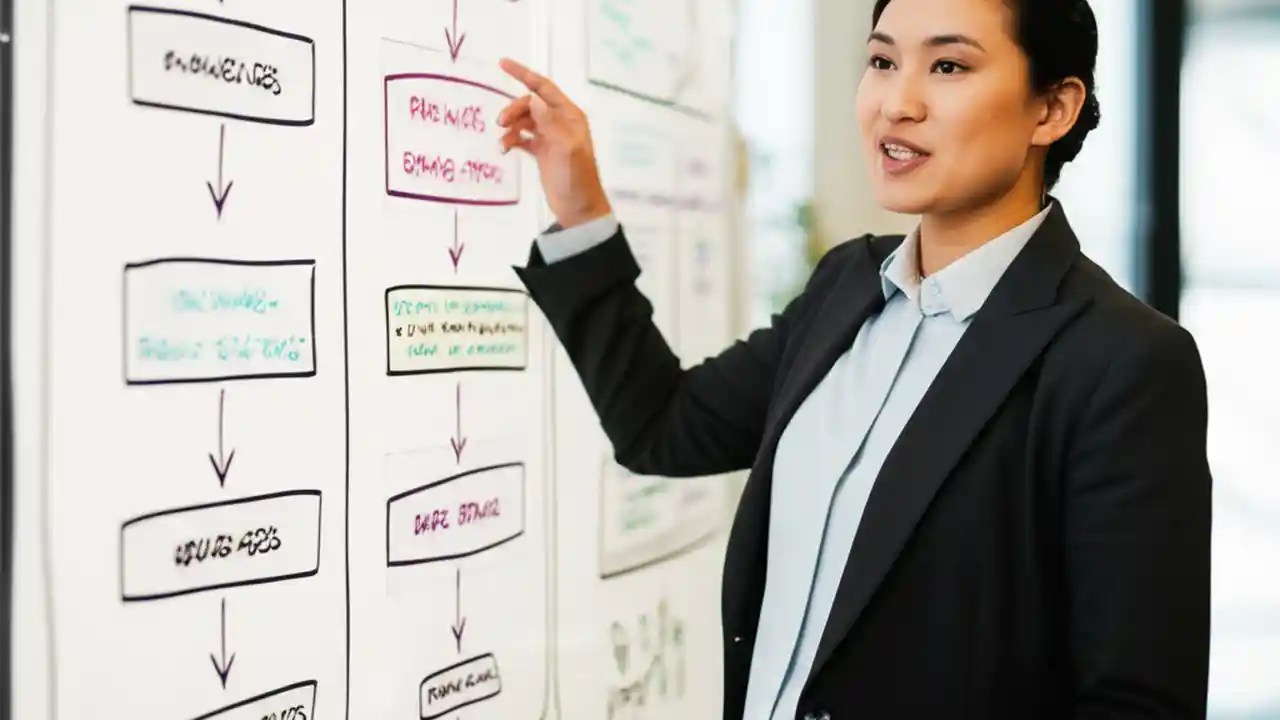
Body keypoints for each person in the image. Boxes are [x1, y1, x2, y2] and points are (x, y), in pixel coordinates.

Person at [496, 0, 1212, 716]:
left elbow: (1136, 701)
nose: (896, 104)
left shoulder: (1122, 362)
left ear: (1052, 109)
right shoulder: (846, 289)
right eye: (881, 61)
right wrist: (582, 210)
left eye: (948, 66)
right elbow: (661, 425)